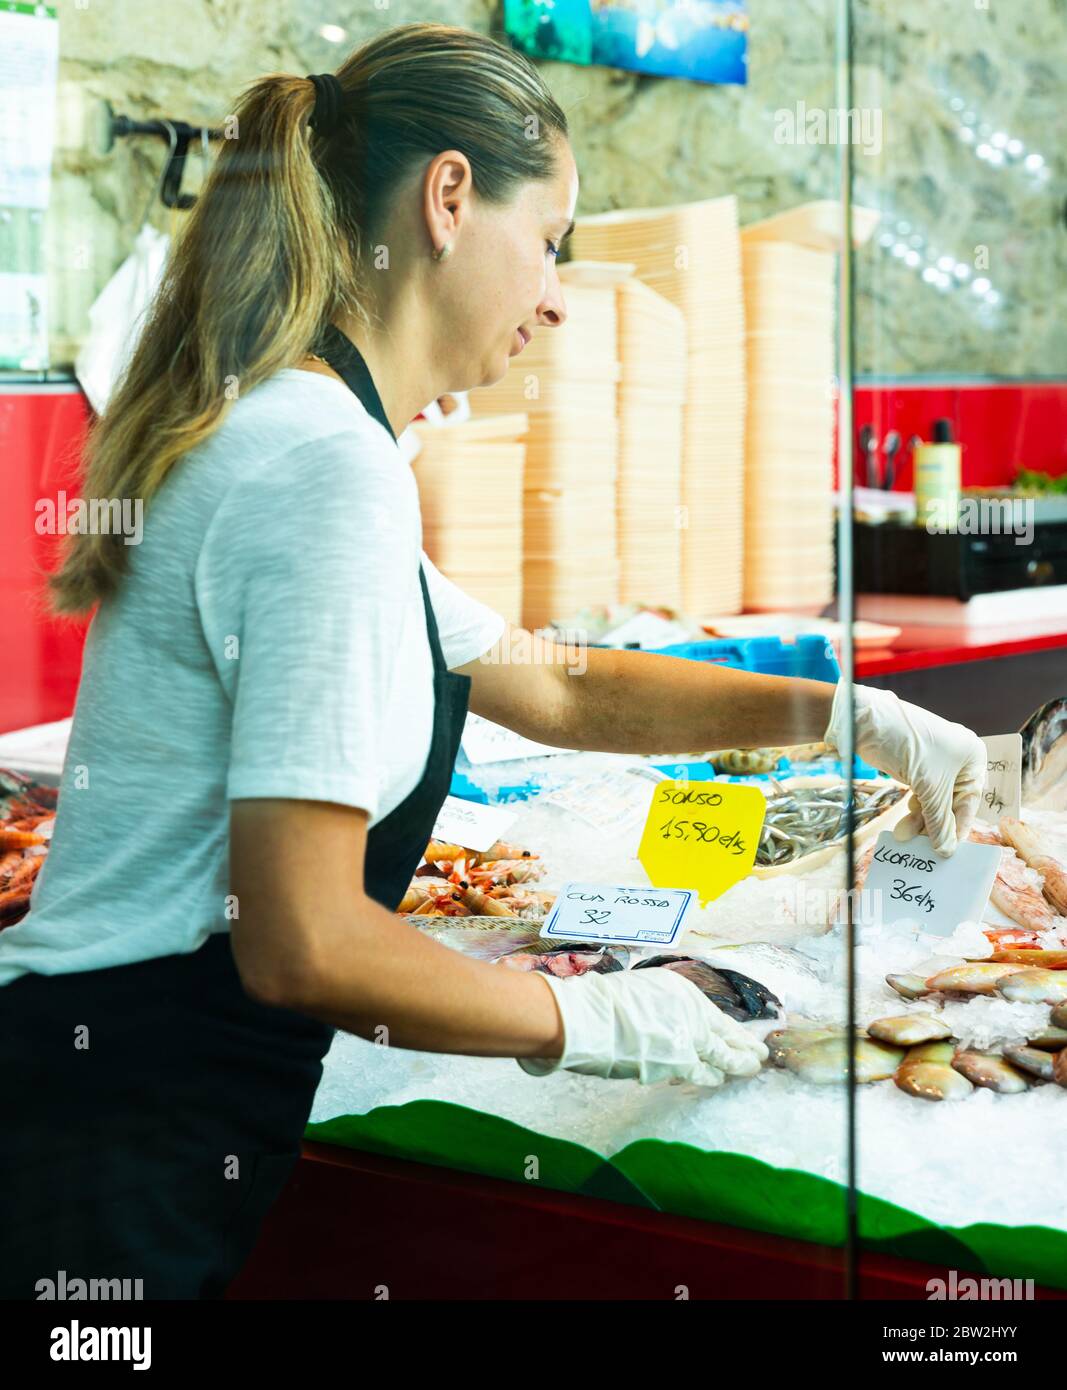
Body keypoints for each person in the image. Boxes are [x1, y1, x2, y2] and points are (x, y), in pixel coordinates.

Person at [0, 22, 986, 1300]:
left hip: (103, 1095)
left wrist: (846, 711)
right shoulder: (321, 465)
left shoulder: (302, 431)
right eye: (553, 239)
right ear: (449, 199)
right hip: (113, 1134)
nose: (559, 292)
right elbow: (300, 942)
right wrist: (597, 1019)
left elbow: (558, 682)